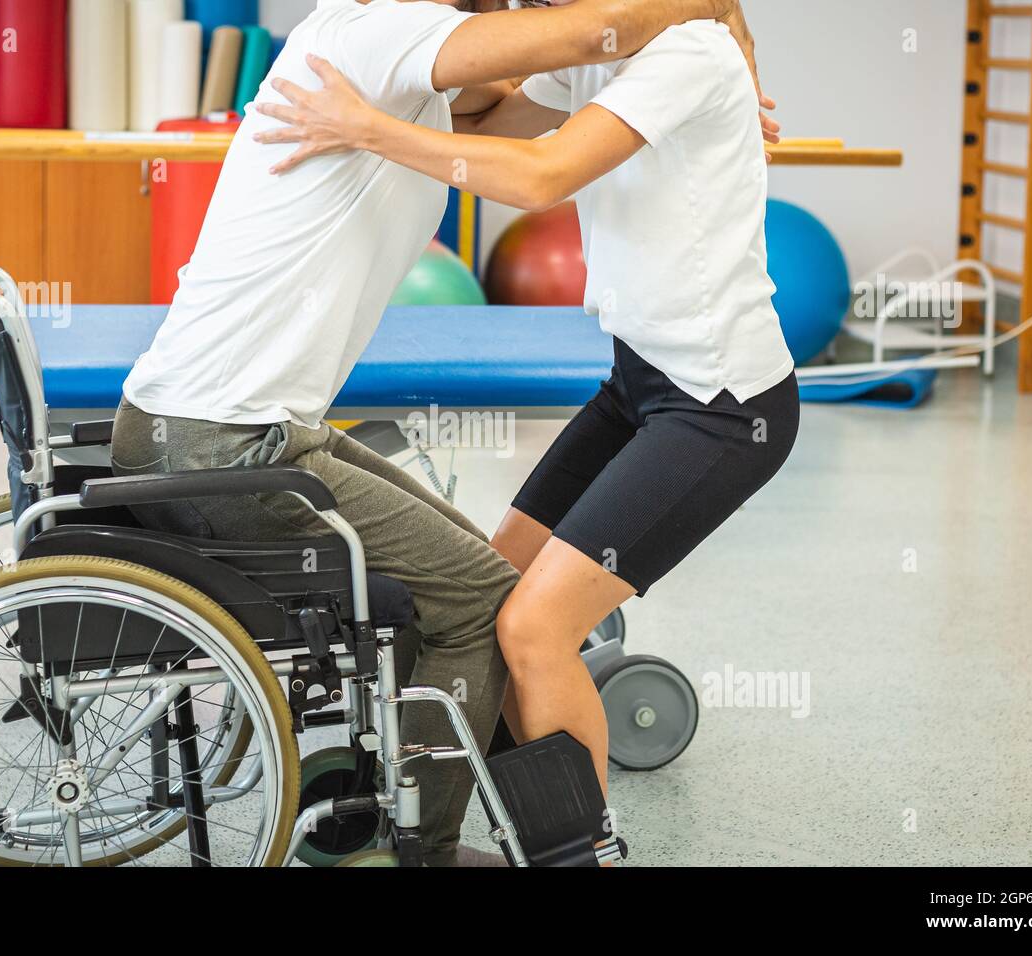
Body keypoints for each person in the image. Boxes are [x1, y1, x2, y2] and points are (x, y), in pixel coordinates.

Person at [113, 0, 759, 867]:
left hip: (207, 427)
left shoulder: (387, 63)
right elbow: (559, 64)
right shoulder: (379, 36)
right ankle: (427, 838)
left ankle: (487, 819)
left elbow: (536, 119)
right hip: (235, 442)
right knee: (490, 605)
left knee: (499, 594)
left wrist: (712, 62)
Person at [254, 0, 801, 797]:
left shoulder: (690, 55)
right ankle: (503, 796)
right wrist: (410, 70)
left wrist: (363, 126)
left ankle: (581, 845)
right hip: (639, 383)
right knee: (491, 586)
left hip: (722, 407)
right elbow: (493, 123)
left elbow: (540, 177)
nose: (541, 12)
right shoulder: (599, 52)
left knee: (535, 626)